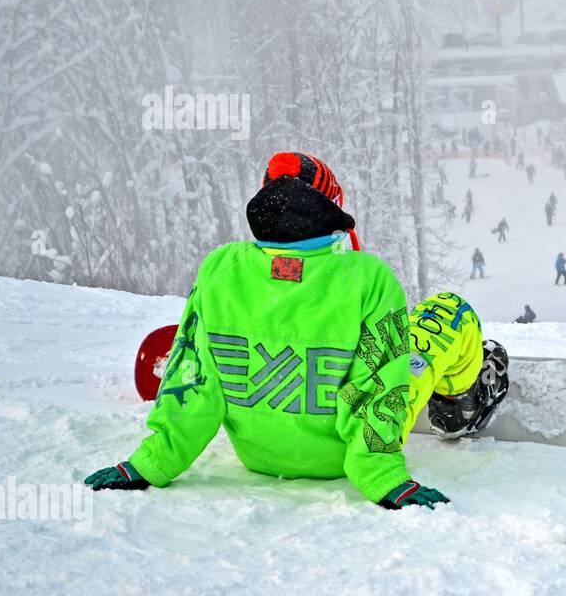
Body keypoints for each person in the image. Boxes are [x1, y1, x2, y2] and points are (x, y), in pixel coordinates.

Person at [84, 151, 486, 511]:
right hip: (339, 459)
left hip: (258, 456)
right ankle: (459, 401)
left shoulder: (220, 269)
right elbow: (379, 383)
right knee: (449, 310)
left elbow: (196, 378)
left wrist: (151, 462)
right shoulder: (370, 279)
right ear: (331, 207)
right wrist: (382, 476)